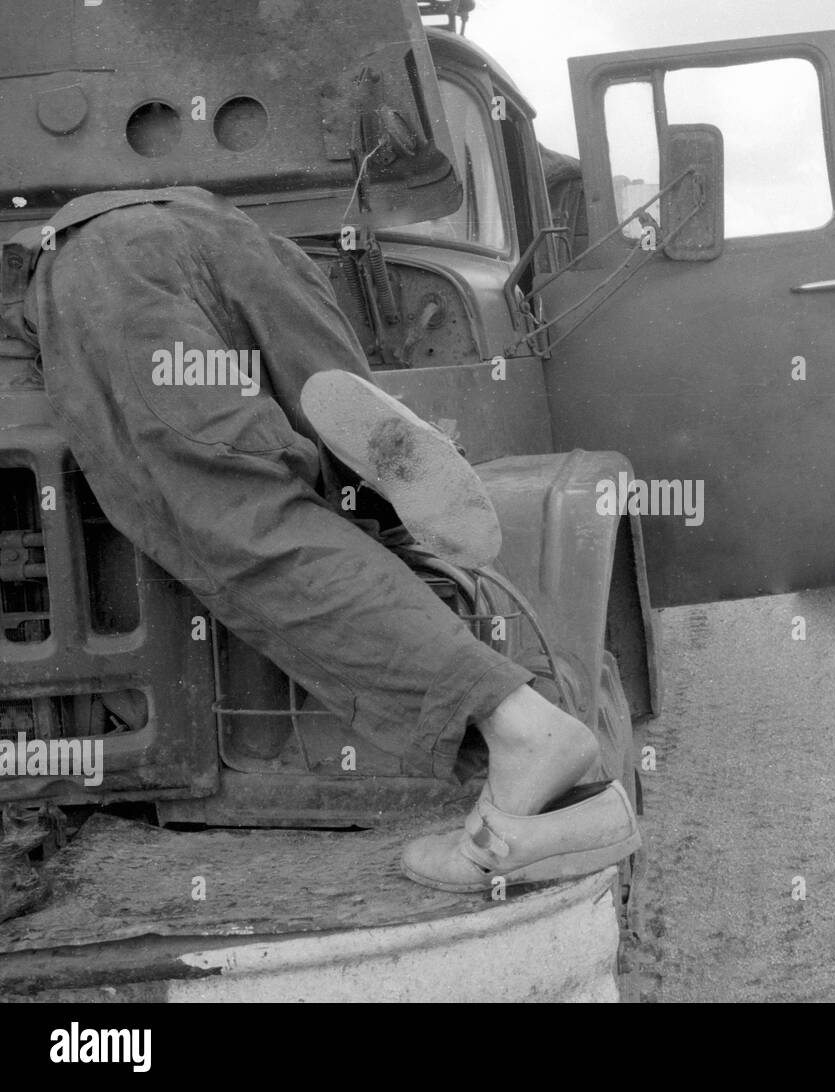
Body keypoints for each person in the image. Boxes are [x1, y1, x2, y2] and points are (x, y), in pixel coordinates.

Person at [0, 185, 638, 891]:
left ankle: (521, 727)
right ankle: (367, 495)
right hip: (235, 234)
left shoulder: (62, 272)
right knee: (329, 488)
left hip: (102, 271)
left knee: (243, 518)